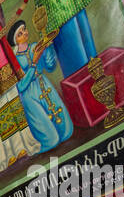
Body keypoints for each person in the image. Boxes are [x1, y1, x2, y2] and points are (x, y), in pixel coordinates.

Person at [7, 18, 74, 153]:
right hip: (29, 96)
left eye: (24, 29)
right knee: (52, 140)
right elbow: (21, 86)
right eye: (19, 34)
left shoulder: (34, 47)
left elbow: (50, 67)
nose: (25, 33)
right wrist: (34, 63)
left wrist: (48, 48)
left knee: (67, 131)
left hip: (44, 84)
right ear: (15, 41)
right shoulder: (14, 60)